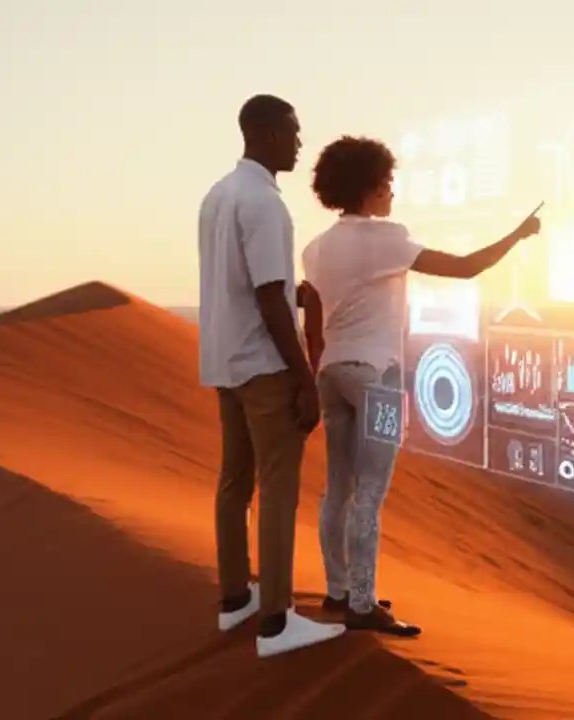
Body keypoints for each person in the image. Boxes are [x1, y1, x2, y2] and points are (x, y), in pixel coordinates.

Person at [300, 135, 542, 635]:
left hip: (332, 374)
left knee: (338, 487)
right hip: (379, 379)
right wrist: (516, 235)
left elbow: (317, 311)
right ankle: (364, 606)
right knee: (371, 489)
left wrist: (318, 361)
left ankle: (339, 591)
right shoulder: (387, 238)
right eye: (387, 183)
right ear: (369, 188)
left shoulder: (315, 248)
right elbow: (466, 267)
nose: (392, 191)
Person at [197, 94, 346, 658]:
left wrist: (293, 292)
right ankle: (278, 621)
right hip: (264, 365)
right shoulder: (263, 202)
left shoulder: (217, 196)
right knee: (278, 488)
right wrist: (305, 377)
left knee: (234, 482)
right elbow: (264, 292)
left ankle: (236, 599)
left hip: (225, 361)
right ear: (264, 134)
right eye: (293, 131)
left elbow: (243, 283)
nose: (300, 143)